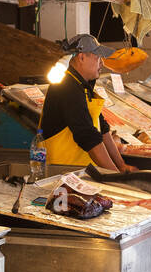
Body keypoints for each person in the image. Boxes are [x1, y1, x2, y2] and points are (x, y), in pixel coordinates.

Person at [40, 34, 135, 173]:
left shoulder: (82, 86)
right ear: (82, 57)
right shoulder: (67, 87)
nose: (102, 63)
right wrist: (115, 176)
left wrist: (121, 165)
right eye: (97, 57)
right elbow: (87, 136)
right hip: (61, 172)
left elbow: (102, 128)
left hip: (81, 170)